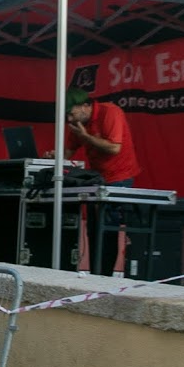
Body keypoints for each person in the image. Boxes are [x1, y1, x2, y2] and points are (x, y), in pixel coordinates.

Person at [61, 88, 141, 275]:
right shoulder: (78, 123)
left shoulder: (110, 112)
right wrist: (52, 157)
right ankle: (97, 273)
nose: (70, 120)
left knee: (107, 229)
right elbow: (67, 153)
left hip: (118, 177)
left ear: (85, 106)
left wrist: (86, 137)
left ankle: (104, 276)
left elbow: (114, 148)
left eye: (71, 114)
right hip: (96, 179)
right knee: (94, 229)